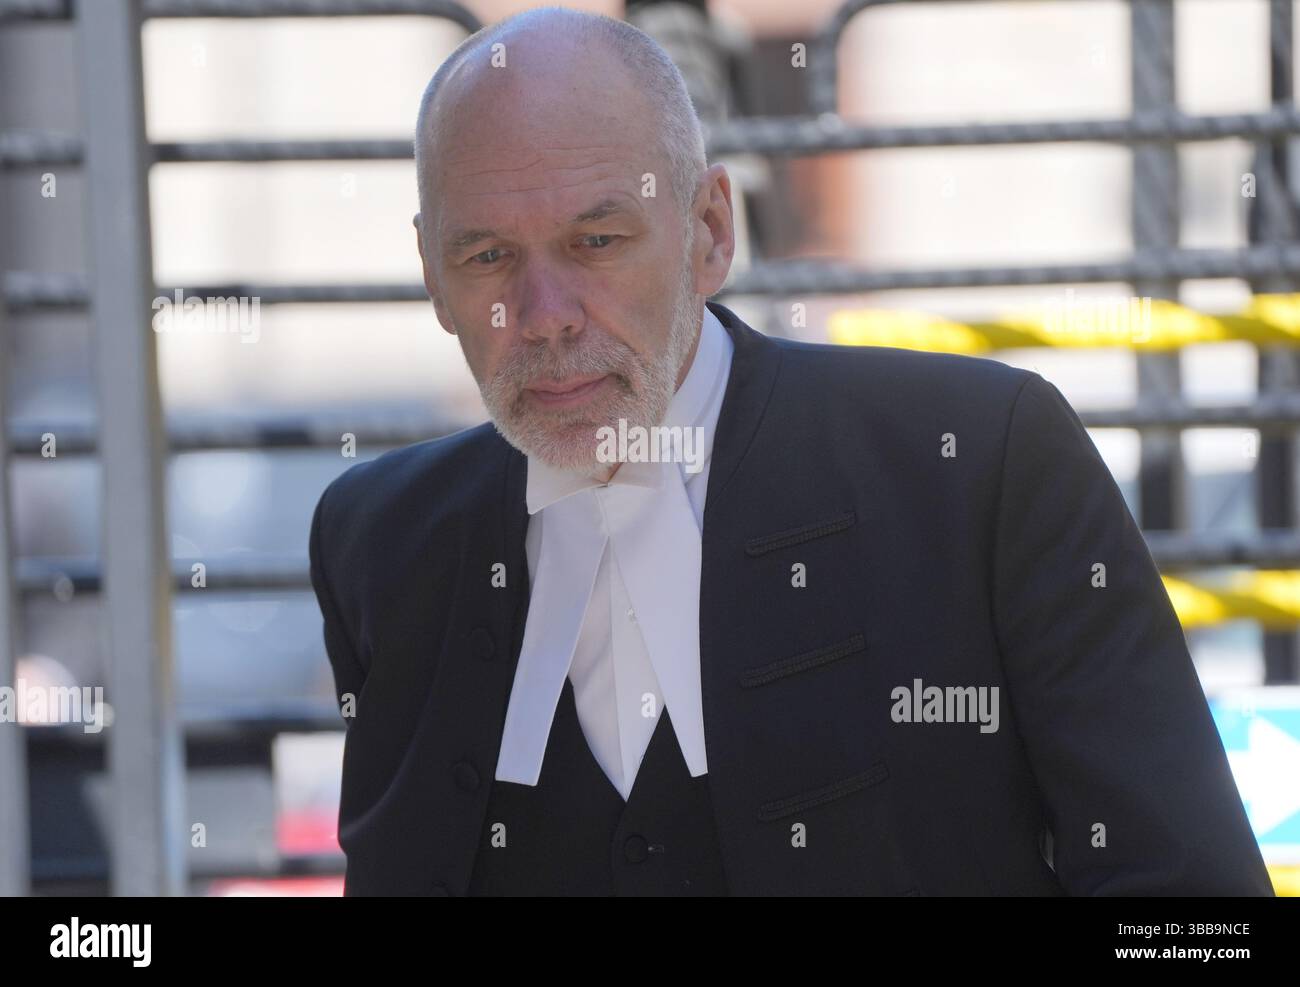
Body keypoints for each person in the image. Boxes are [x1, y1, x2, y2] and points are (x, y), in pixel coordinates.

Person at [308, 5, 1273, 896]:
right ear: (432, 273)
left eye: (597, 240)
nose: (546, 317)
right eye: (488, 258)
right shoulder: (380, 544)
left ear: (710, 233)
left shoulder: (980, 466)